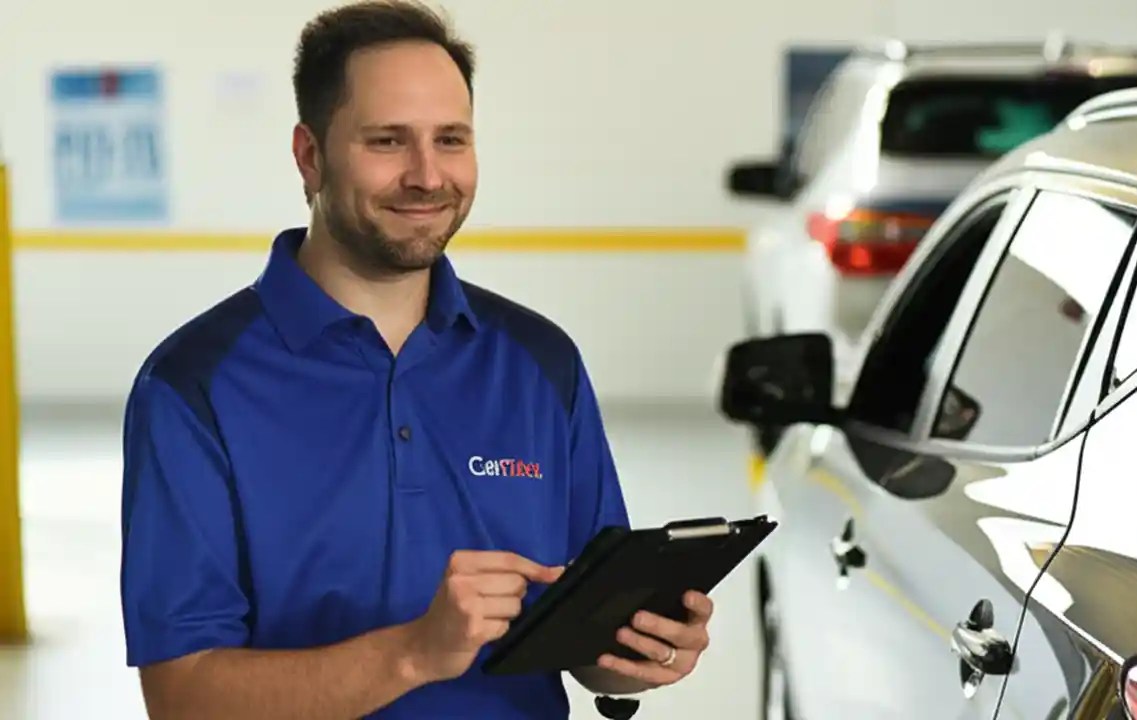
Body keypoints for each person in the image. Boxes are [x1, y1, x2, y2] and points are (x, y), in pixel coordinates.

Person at [117, 1, 715, 717]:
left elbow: (588, 643)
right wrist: (414, 653)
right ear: (311, 155)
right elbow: (184, 699)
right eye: (388, 141)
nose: (429, 176)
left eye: (452, 139)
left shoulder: (539, 363)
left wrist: (640, 654)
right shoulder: (195, 386)